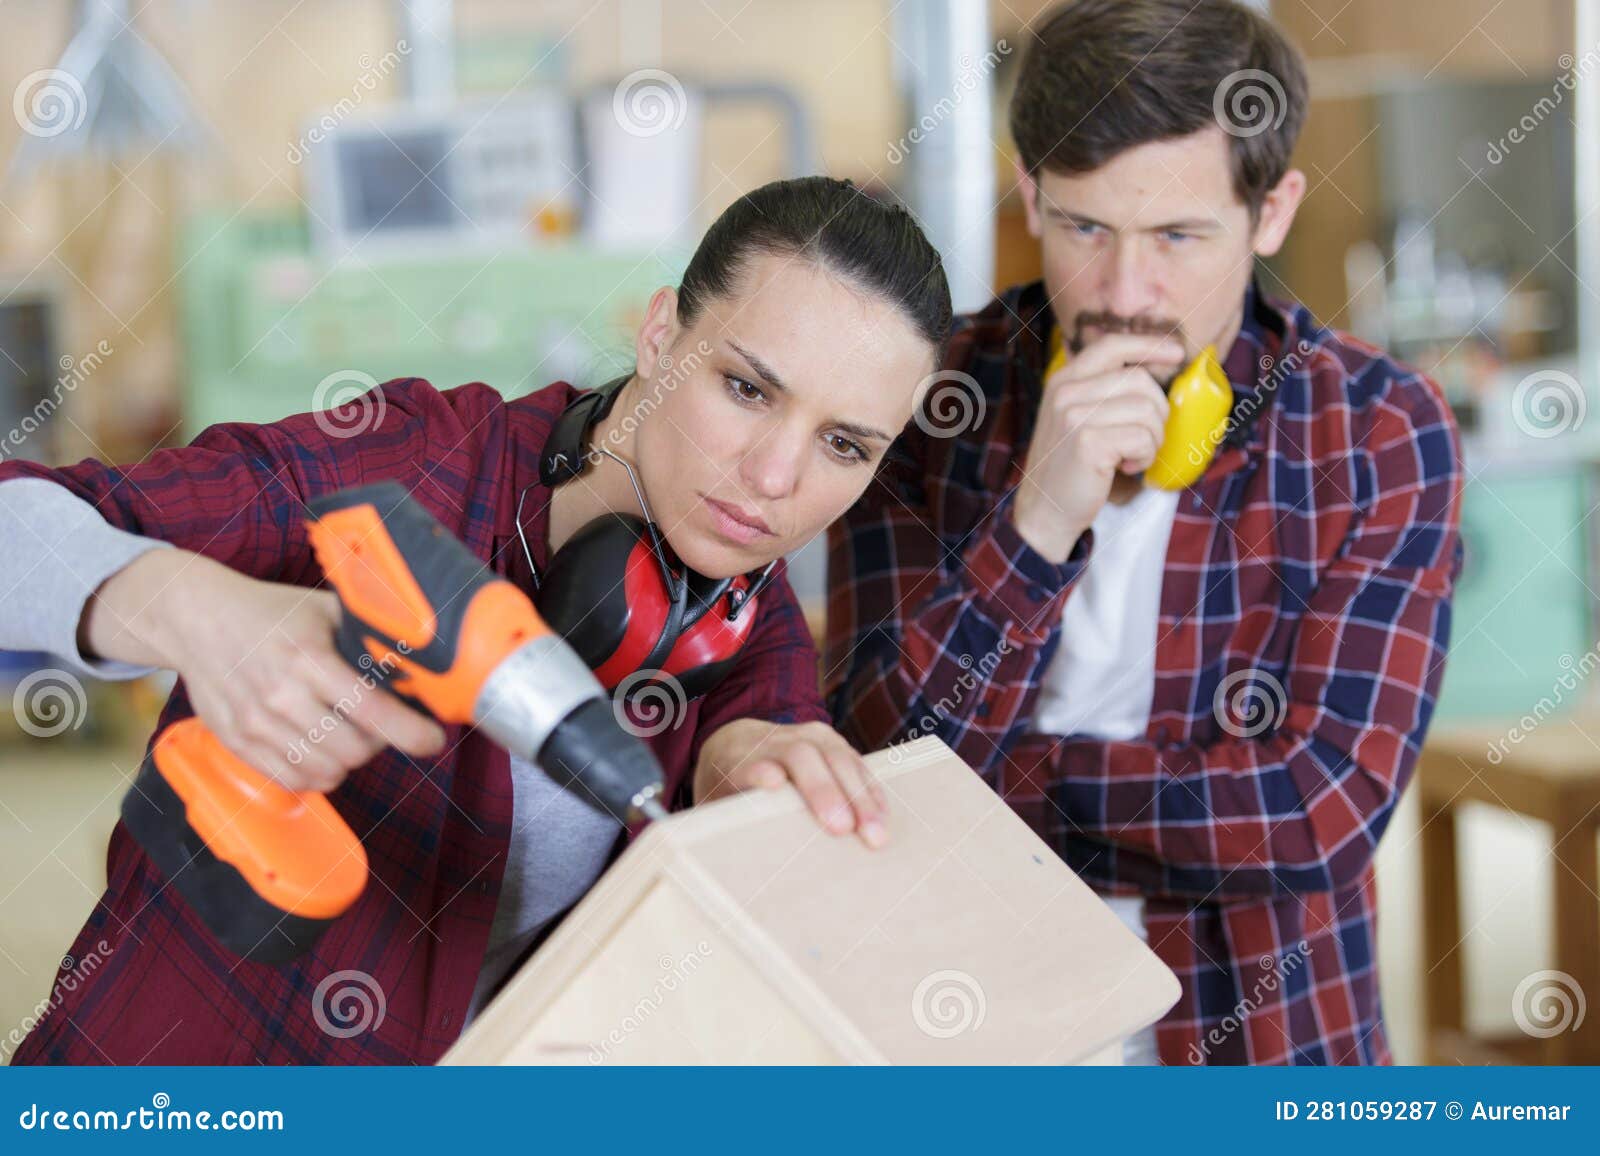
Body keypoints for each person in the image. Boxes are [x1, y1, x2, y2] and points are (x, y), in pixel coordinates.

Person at [0, 175, 952, 1064]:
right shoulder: (416, 463)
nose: (776, 479)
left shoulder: (742, 595)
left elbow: (764, 720)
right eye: (746, 389)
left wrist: (750, 774)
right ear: (661, 337)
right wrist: (193, 610)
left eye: (843, 444)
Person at [826, 0, 1462, 1065]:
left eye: (1177, 235)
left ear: (1270, 212)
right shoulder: (930, 401)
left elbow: (1315, 814)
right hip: (969, 1038)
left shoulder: (1377, 428)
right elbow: (876, 763)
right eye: (1082, 228)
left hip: (1257, 1051)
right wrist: (1035, 527)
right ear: (1028, 192)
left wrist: (1003, 786)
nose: (1125, 294)